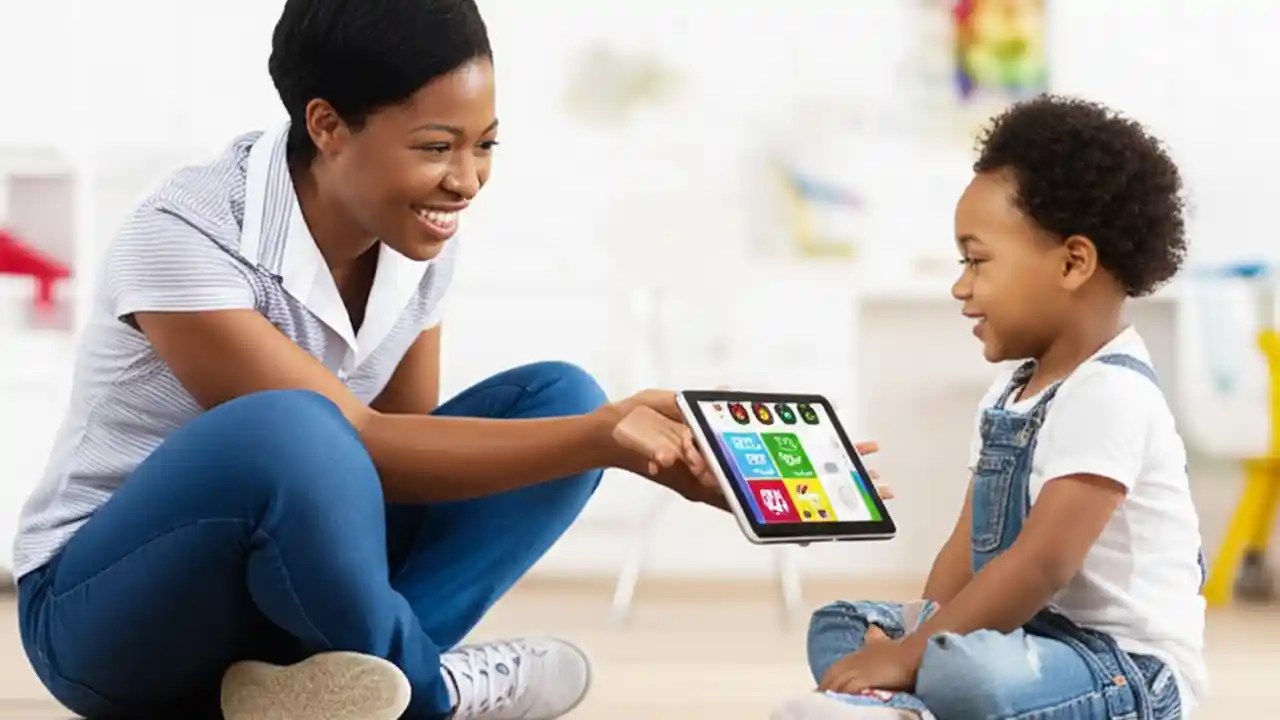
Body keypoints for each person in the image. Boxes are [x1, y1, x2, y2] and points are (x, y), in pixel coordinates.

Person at [14, 2, 901, 719]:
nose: (467, 180)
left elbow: (408, 465)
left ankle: (334, 694)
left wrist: (638, 439)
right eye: (437, 147)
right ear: (326, 125)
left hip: (270, 623)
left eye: (484, 146)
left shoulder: (416, 241)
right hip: (107, 620)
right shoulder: (183, 236)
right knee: (296, 430)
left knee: (560, 395)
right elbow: (355, 440)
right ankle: (429, 688)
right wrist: (598, 440)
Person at [771, 95, 1208, 720]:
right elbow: (962, 551)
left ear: (1072, 262)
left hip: (1125, 673)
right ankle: (903, 705)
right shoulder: (1011, 391)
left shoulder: (1111, 392)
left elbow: (1041, 564)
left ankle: (906, 704)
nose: (960, 285)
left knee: (963, 670)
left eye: (977, 261)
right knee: (841, 624)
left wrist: (915, 655)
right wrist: (918, 636)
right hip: (1028, 642)